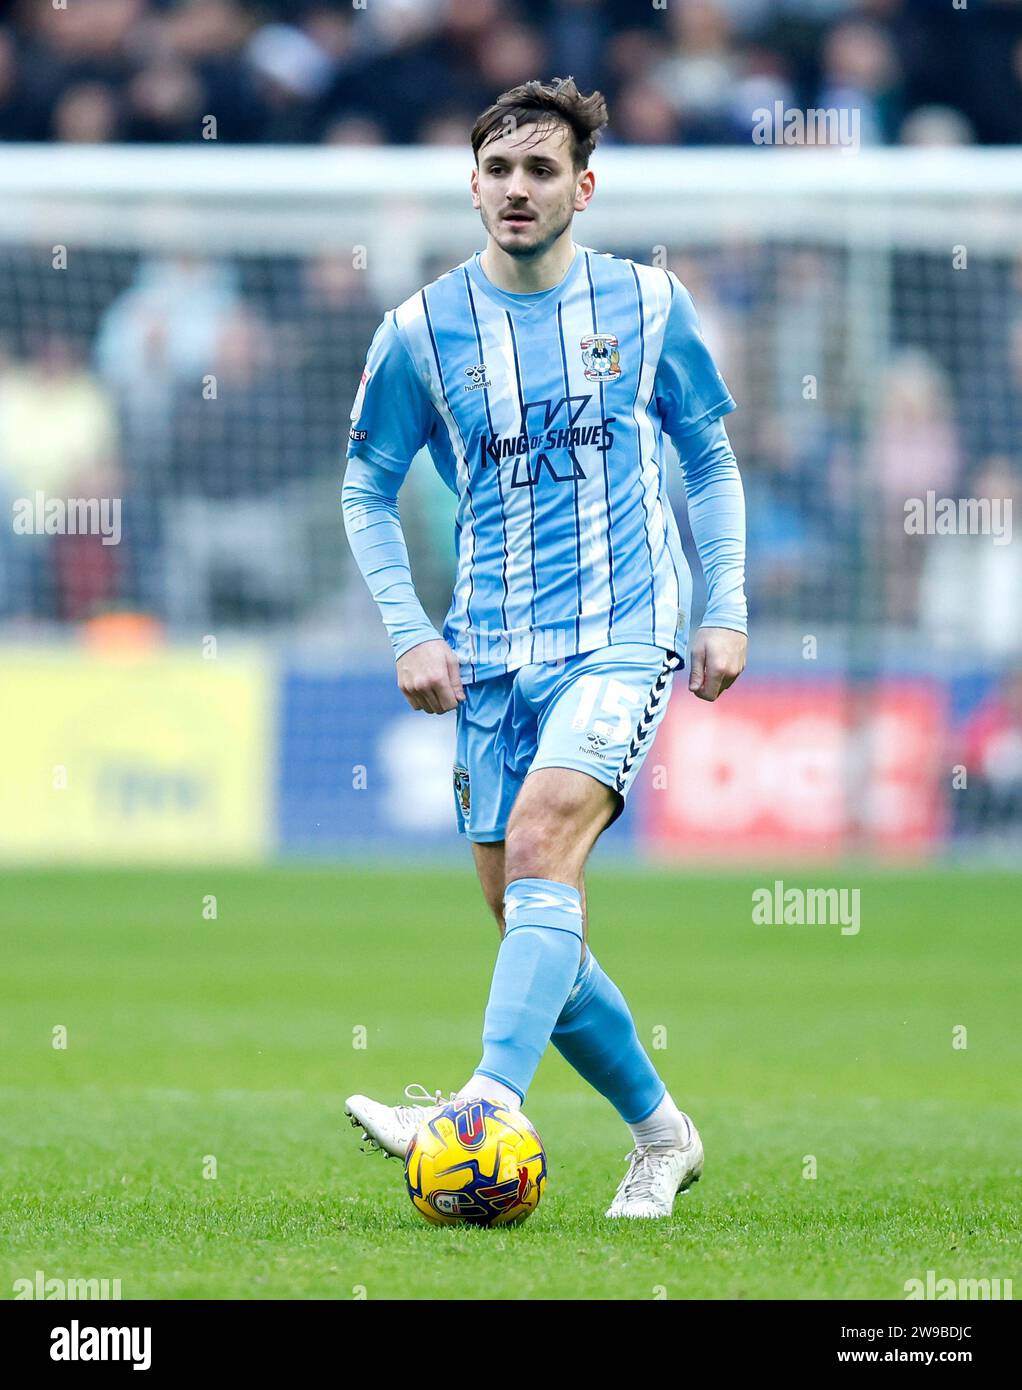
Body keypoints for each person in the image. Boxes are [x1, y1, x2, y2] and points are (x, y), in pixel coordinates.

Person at [341, 77, 748, 1219]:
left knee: (538, 844)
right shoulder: (419, 331)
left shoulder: (650, 306)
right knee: (531, 908)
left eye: (540, 170)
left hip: (622, 632)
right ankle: (661, 1135)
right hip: (486, 649)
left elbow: (708, 462)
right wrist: (409, 625)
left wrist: (726, 607)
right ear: (472, 185)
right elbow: (365, 486)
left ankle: (478, 1106)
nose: (518, 190)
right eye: (499, 171)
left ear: (582, 184)